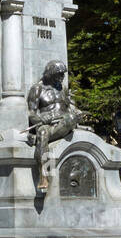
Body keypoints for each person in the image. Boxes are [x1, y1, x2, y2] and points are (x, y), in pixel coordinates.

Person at [25, 59, 80, 193]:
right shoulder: (37, 89)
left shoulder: (63, 89)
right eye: (59, 74)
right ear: (51, 73)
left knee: (71, 117)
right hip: (48, 126)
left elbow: (70, 108)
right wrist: (40, 118)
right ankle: (43, 175)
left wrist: (77, 113)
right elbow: (31, 112)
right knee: (42, 134)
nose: (62, 78)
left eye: (63, 75)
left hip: (64, 121)